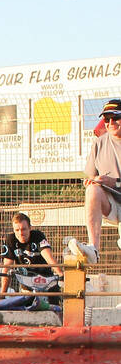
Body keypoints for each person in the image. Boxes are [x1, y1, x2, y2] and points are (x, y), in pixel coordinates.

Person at [77, 98, 121, 262]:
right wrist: (93, 181)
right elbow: (90, 176)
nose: (110, 123)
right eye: (106, 119)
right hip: (112, 204)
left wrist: (115, 182)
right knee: (92, 190)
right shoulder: (99, 143)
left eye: (115, 118)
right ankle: (93, 249)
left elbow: (114, 182)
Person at [0, 212, 62, 295]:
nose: (20, 233)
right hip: (26, 285)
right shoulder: (11, 240)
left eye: (24, 229)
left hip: (46, 282)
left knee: (53, 305)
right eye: (17, 230)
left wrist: (60, 274)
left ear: (30, 228)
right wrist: (2, 294)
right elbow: (7, 267)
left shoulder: (38, 236)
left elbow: (48, 257)